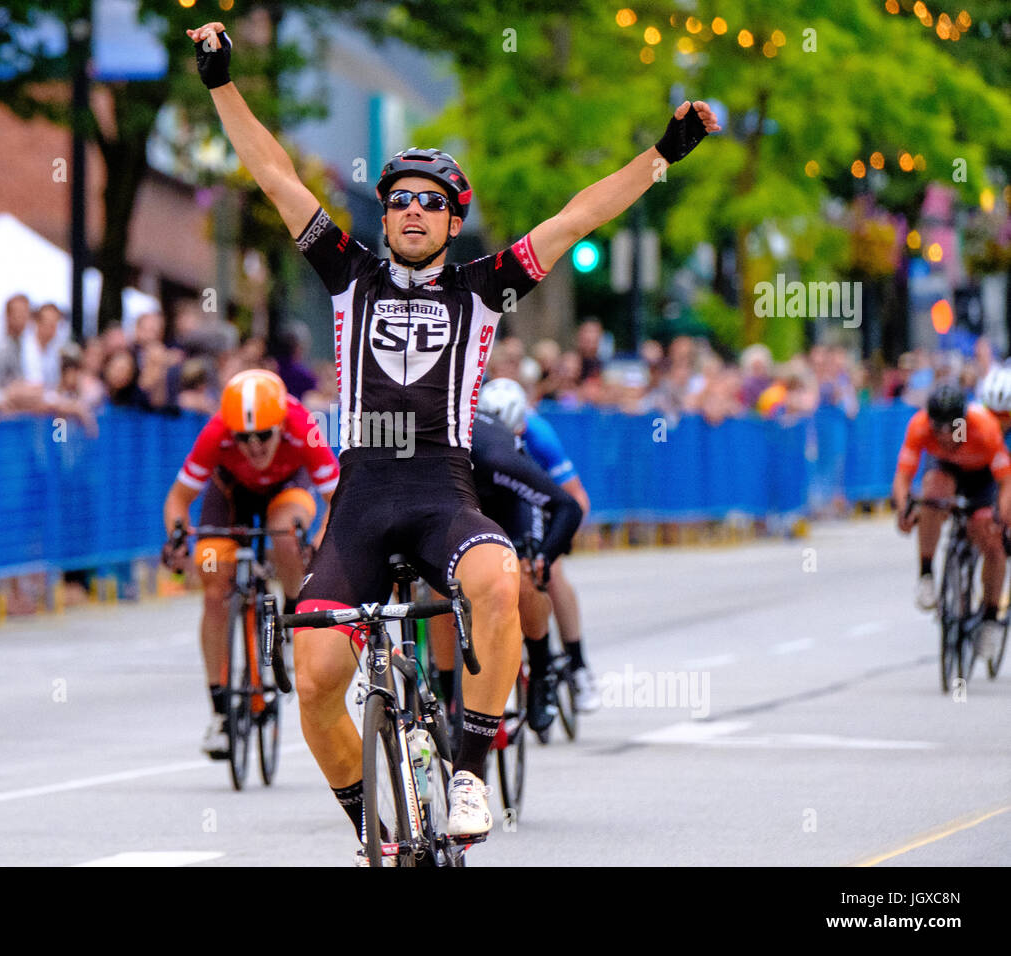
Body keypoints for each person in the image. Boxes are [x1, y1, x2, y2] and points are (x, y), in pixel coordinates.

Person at [186, 18, 717, 851]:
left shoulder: (482, 288)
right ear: (384, 213)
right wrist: (221, 83)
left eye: (431, 202)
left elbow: (579, 215)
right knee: (316, 678)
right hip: (363, 499)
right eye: (399, 199)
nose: (412, 210)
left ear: (453, 218)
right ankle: (376, 832)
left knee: (499, 578)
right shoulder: (349, 273)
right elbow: (274, 173)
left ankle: (470, 770)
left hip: (442, 490)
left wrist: (662, 155)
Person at [159, 369, 339, 757]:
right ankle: (220, 711)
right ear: (231, 431)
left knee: (286, 536)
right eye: (244, 437)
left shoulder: (301, 425)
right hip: (231, 492)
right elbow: (178, 499)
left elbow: (337, 498)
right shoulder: (216, 432)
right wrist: (176, 537)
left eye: (264, 436)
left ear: (281, 426)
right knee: (213, 585)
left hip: (287, 489)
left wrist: (319, 542)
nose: (254, 446)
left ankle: (290, 614)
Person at [428, 404, 584, 734]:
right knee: (437, 592)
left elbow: (568, 507)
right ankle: (450, 699)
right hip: (457, 510)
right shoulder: (420, 454)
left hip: (508, 505)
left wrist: (545, 557)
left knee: (525, 579)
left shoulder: (495, 457)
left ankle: (540, 670)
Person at [480, 377, 600, 714]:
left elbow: (576, 498)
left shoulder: (540, 435)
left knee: (551, 572)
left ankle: (578, 664)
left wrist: (557, 543)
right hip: (495, 501)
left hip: (539, 502)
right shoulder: (477, 437)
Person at [893, 384, 1011, 661]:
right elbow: (903, 476)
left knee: (991, 538)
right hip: (945, 470)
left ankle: (990, 618)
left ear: (964, 420)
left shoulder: (985, 428)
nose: (946, 434)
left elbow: (1006, 483)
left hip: (982, 478)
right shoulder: (920, 426)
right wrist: (904, 508)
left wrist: (1002, 519)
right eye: (939, 428)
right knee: (931, 496)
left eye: (952, 427)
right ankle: (926, 574)